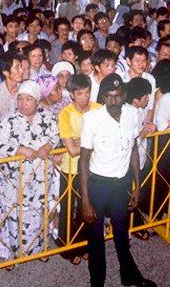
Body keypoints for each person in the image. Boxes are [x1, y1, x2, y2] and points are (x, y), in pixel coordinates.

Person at [79, 74, 156, 287]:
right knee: (96, 239)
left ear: (124, 95)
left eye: (118, 95)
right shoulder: (92, 119)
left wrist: (137, 186)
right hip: (98, 185)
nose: (114, 101)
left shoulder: (132, 114)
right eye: (109, 96)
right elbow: (83, 161)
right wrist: (85, 200)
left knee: (122, 233)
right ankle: (97, 282)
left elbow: (133, 150)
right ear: (103, 97)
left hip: (122, 183)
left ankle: (129, 274)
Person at [0, 80, 59, 260]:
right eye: (20, 99)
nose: (23, 103)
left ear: (37, 101)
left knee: (38, 212)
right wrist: (20, 150)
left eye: (28, 99)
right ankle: (7, 254)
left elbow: (56, 136)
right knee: (12, 214)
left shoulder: (48, 117)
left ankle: (38, 248)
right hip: (14, 179)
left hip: (40, 177)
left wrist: (47, 146)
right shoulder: (7, 120)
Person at [56, 73, 101, 264]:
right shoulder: (65, 113)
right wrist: (89, 139)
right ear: (72, 94)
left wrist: (81, 139)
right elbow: (73, 151)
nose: (84, 96)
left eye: (87, 92)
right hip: (71, 169)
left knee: (89, 208)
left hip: (94, 167)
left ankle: (84, 244)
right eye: (79, 93)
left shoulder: (99, 109)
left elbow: (104, 139)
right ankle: (67, 248)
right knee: (68, 208)